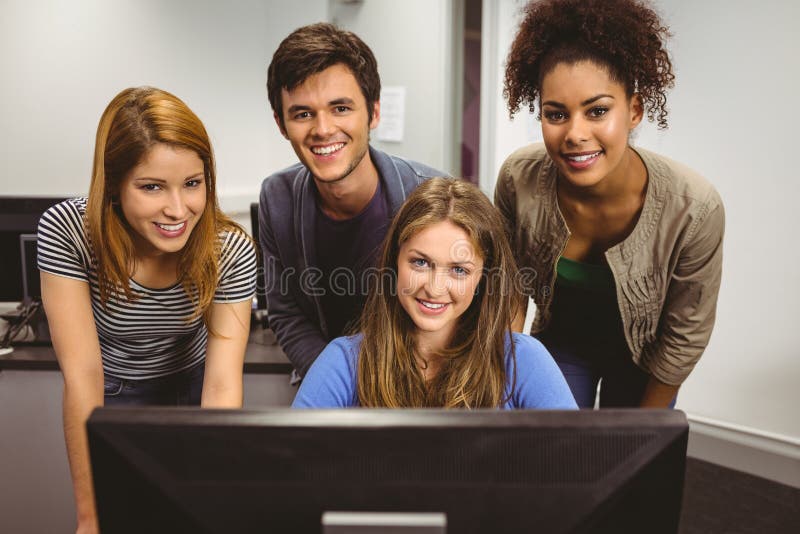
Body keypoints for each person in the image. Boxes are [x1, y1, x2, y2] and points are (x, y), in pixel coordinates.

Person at [38, 86, 257, 533]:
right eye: (152, 186)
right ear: (115, 186)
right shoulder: (67, 233)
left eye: (192, 184)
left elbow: (220, 386)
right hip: (112, 395)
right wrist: (89, 517)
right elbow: (83, 375)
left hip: (195, 392)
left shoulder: (229, 248)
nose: (178, 209)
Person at [495, 0, 725, 408]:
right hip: (560, 346)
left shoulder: (694, 209)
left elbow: (684, 336)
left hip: (644, 360)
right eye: (556, 114)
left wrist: (644, 437)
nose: (575, 134)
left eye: (597, 110)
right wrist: (507, 381)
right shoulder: (518, 178)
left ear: (634, 110)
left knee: (631, 464)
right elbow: (511, 287)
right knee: (552, 459)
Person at [259, 23, 447, 383]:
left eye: (341, 108)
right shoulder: (276, 198)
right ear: (281, 124)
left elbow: (459, 314)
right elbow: (286, 315)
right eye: (302, 114)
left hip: (419, 384)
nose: (323, 129)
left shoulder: (432, 195)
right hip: (329, 383)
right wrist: (342, 386)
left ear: (373, 113)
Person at [293, 178, 577, 409]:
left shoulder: (523, 361)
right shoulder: (345, 361)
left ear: (483, 278)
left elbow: (576, 466)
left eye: (459, 270)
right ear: (395, 262)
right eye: (420, 262)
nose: (434, 288)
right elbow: (289, 465)